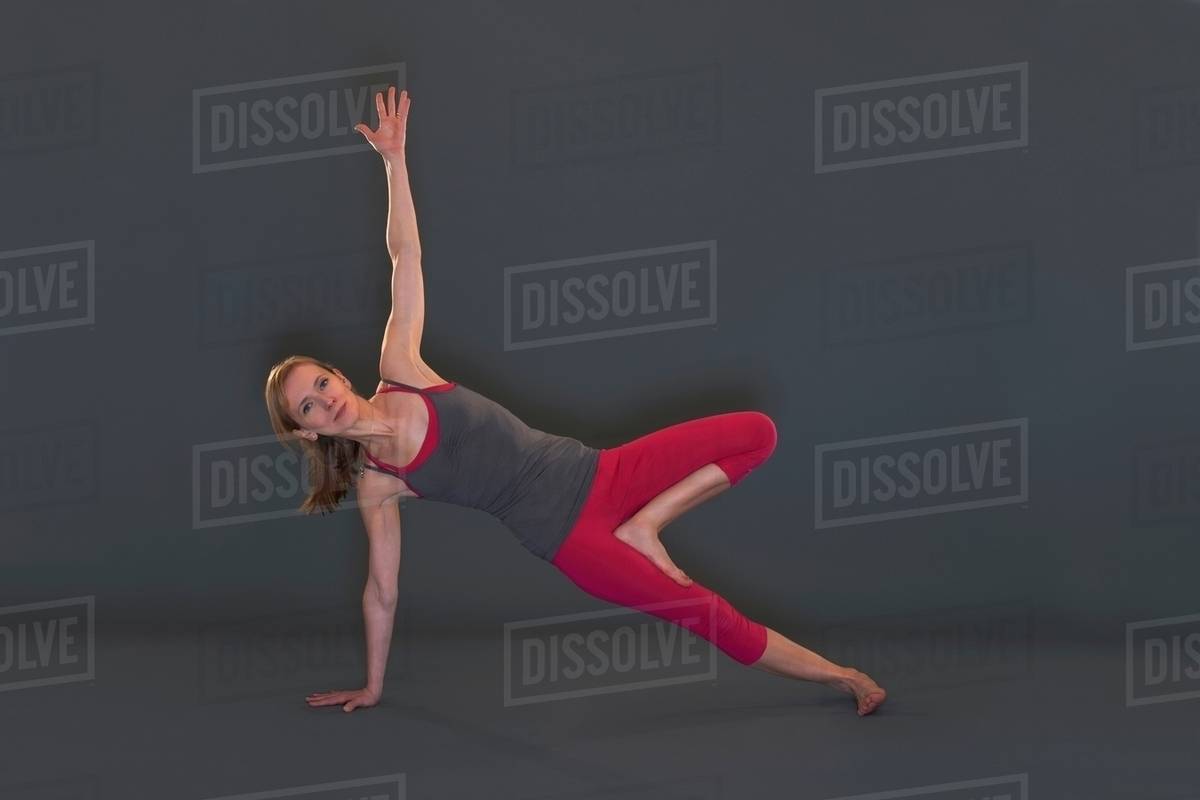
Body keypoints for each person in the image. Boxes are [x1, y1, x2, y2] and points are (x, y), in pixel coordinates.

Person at [263, 87, 886, 717]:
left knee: (757, 431)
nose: (324, 401)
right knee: (703, 612)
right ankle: (844, 677)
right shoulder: (379, 483)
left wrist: (394, 162)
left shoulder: (402, 370)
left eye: (320, 384)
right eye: (307, 408)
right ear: (309, 433)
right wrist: (372, 686)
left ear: (339, 377)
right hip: (571, 538)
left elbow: (406, 256)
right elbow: (382, 591)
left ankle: (648, 524)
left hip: (600, 469)